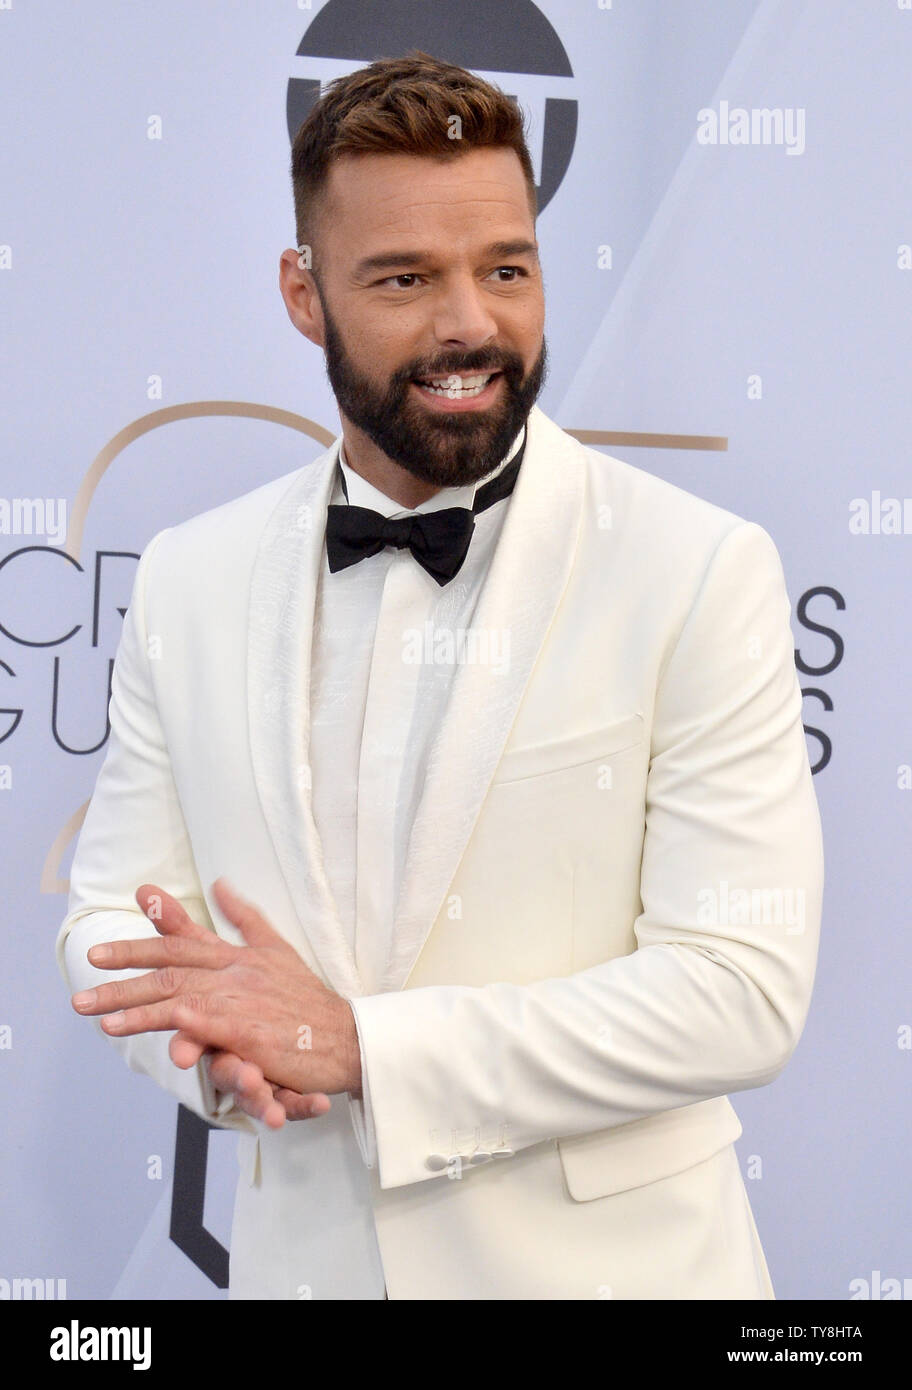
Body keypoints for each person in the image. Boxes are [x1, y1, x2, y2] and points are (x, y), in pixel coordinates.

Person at [57, 51, 823, 1300]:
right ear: (304, 296)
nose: (470, 321)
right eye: (406, 277)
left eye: (506, 269)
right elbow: (108, 919)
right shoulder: (190, 578)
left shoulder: (697, 569)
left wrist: (356, 1044)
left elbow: (739, 990)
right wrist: (216, 1049)